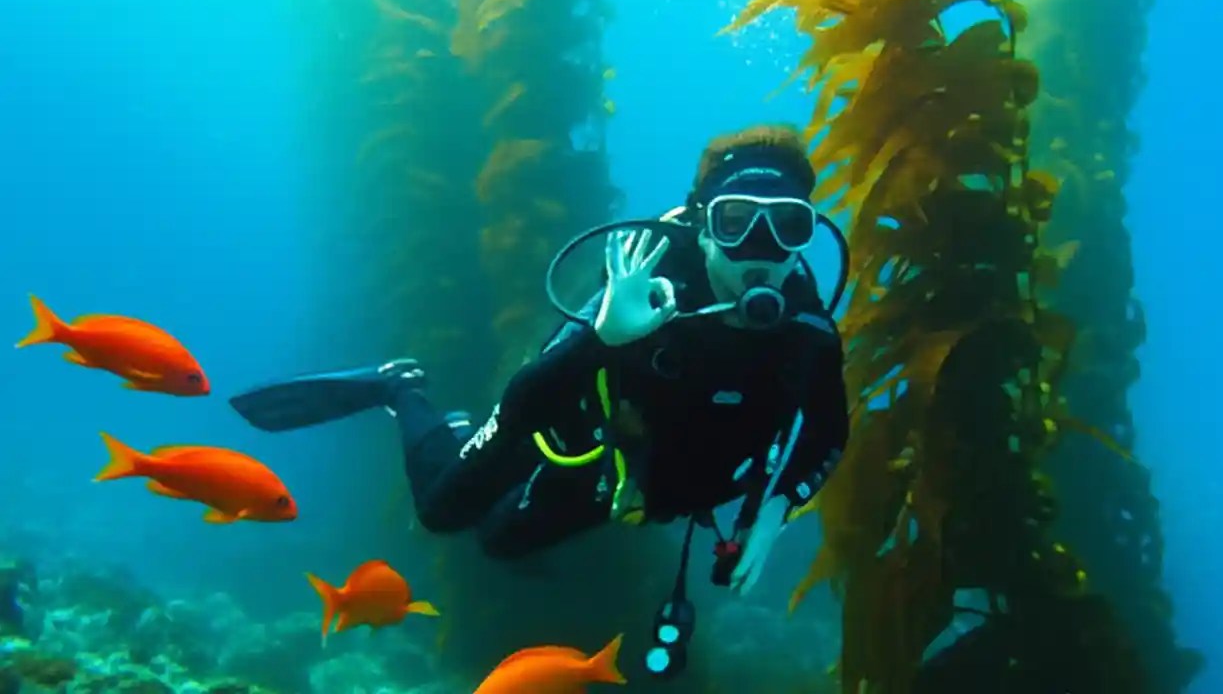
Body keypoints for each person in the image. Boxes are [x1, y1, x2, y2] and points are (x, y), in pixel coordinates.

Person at [229, 123, 849, 626]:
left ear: (805, 238)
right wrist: (603, 340)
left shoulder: (808, 330)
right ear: (700, 226)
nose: (760, 251)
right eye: (736, 222)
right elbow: (527, 400)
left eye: (788, 225)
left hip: (658, 486)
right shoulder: (642, 290)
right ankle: (400, 385)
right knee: (445, 513)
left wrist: (774, 514)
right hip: (579, 445)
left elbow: (828, 434)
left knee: (500, 541)